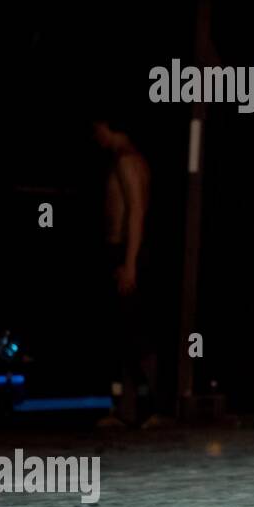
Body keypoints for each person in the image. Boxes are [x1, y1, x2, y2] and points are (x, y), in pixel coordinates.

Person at [92, 116, 160, 429]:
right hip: (123, 252)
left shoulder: (127, 161)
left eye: (98, 131)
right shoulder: (133, 160)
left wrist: (129, 262)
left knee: (134, 332)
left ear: (107, 126)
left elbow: (135, 213)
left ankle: (147, 408)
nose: (97, 138)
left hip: (126, 251)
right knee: (125, 333)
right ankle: (129, 409)